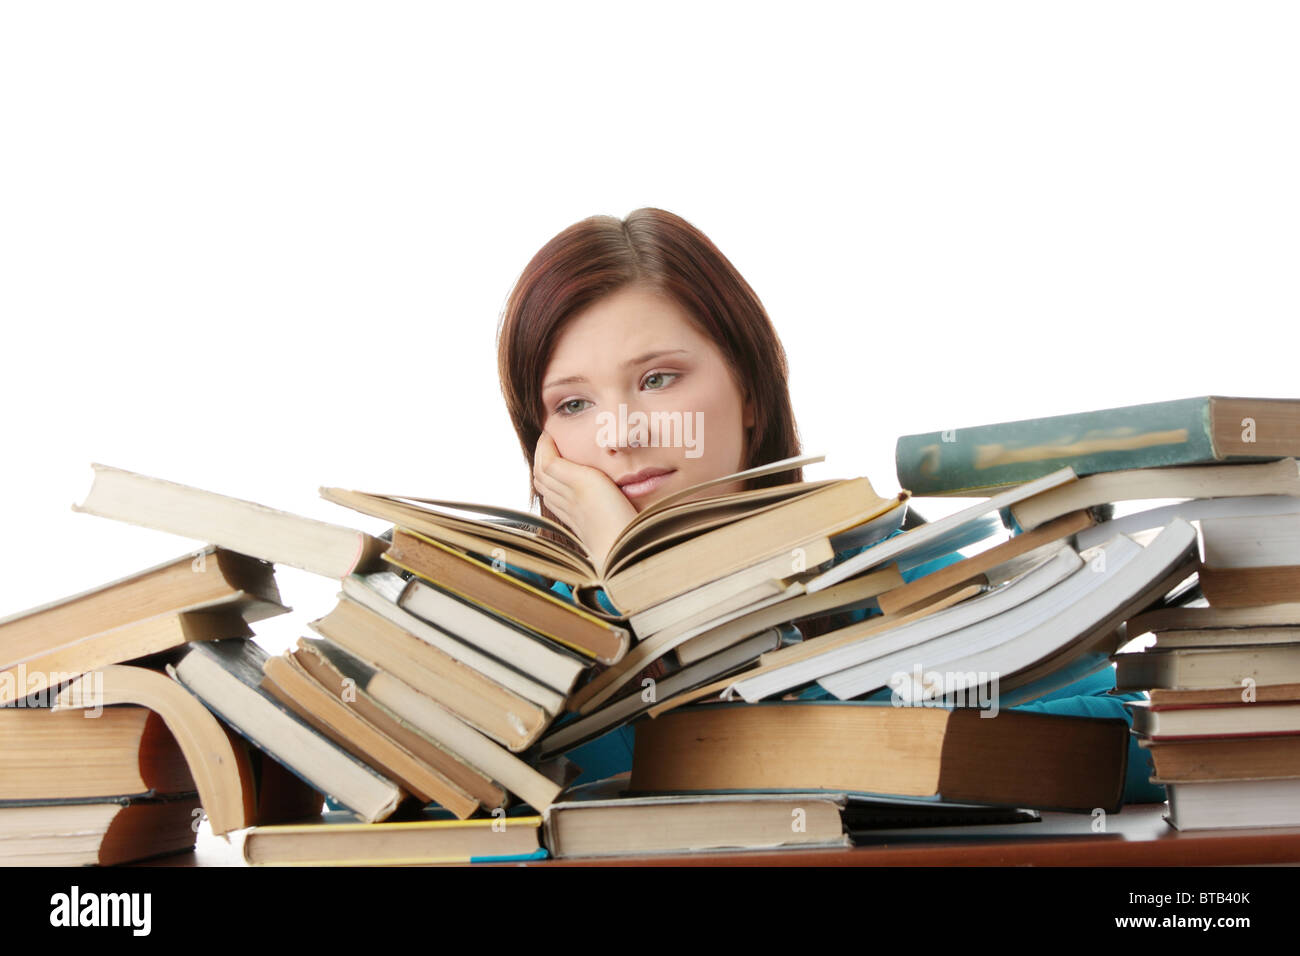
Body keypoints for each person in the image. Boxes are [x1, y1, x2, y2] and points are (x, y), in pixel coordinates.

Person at [494, 207, 1164, 805]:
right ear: (544, 442)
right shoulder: (497, 617)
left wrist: (670, 598)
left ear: (750, 395)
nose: (624, 434)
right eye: (574, 404)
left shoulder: (876, 568)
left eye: (657, 379)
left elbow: (1145, 735)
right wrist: (624, 589)